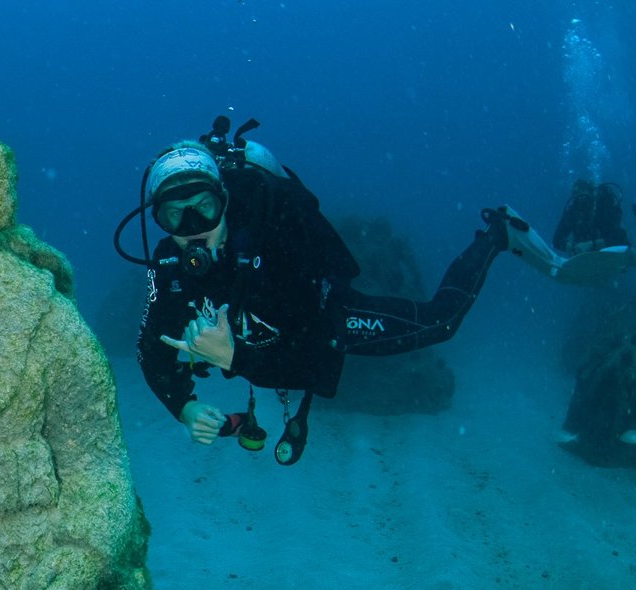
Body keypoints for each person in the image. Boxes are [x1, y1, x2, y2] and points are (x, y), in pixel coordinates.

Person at [117, 117, 532, 464]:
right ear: (158, 221)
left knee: (441, 322)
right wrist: (185, 408)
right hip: (259, 339)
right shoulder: (171, 266)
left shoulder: (276, 237)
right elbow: (149, 349)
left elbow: (314, 363)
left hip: (321, 315)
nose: (192, 227)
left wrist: (233, 357)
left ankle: (497, 234)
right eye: (174, 215)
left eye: (204, 208)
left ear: (223, 200)